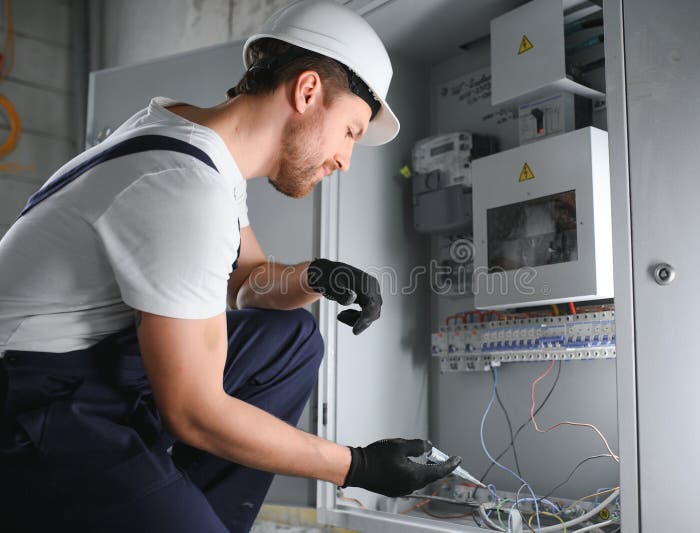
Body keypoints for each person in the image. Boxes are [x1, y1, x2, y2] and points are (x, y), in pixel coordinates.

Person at [0, 1, 460, 532]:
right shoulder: (182, 185)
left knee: (290, 338)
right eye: (351, 132)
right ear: (307, 92)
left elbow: (245, 283)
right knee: (207, 408)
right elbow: (193, 411)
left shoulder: (192, 143)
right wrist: (357, 466)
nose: (345, 159)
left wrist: (318, 276)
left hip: (82, 368)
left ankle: (172, 501)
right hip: (30, 406)